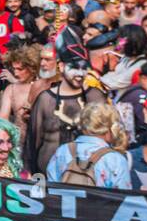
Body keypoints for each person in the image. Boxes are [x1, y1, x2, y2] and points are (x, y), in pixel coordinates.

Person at [24, 37, 107, 176]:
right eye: (74, 68)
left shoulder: (95, 97)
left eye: (84, 68)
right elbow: (32, 143)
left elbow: (107, 137)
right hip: (49, 180)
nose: (80, 74)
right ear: (61, 66)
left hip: (87, 181)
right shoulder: (45, 99)